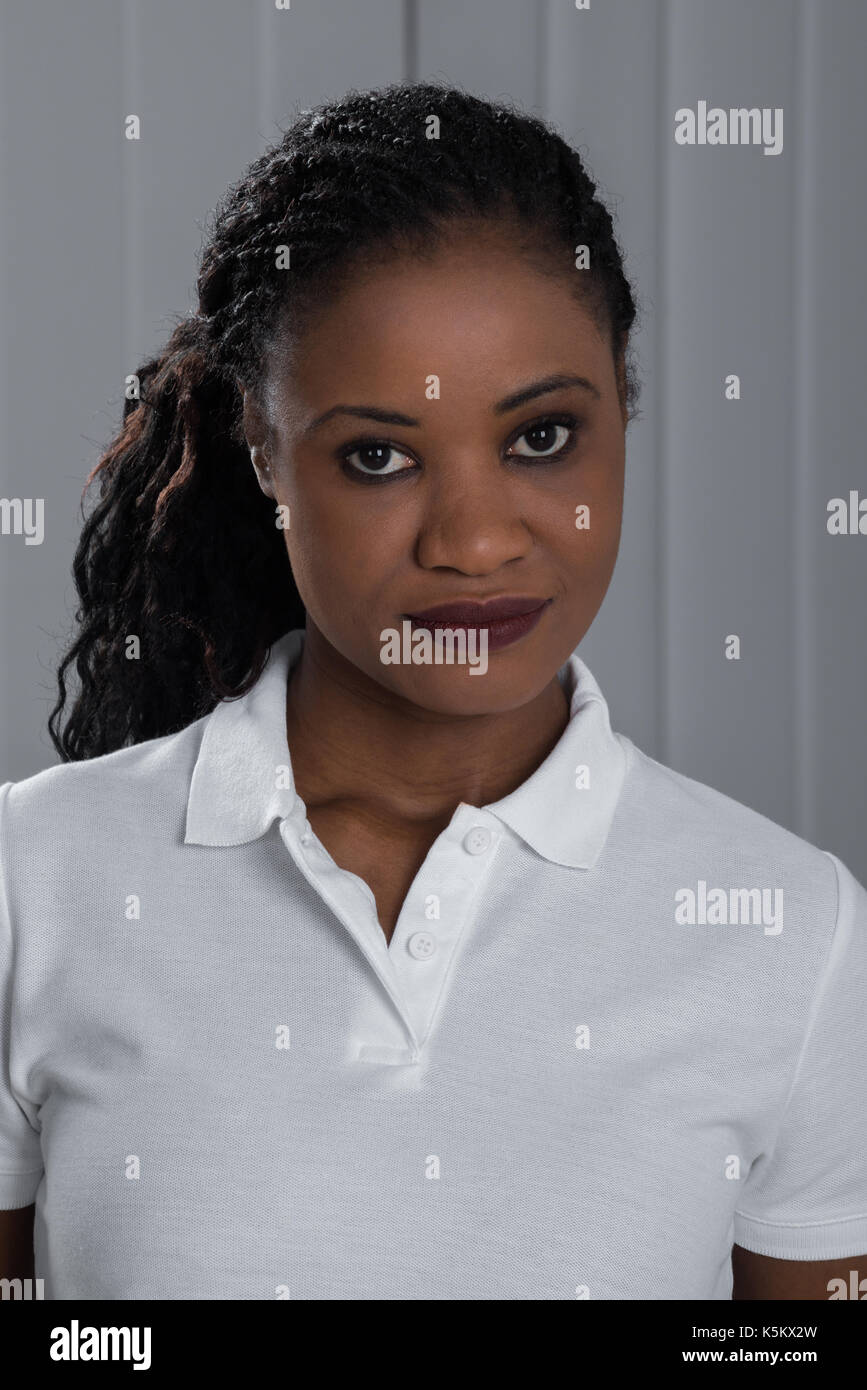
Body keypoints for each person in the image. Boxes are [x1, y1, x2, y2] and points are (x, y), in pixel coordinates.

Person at [1, 80, 865, 1301]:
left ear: (625, 401)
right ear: (263, 451)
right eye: (378, 456)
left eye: (541, 437)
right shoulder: (32, 879)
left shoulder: (796, 933)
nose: (471, 543)